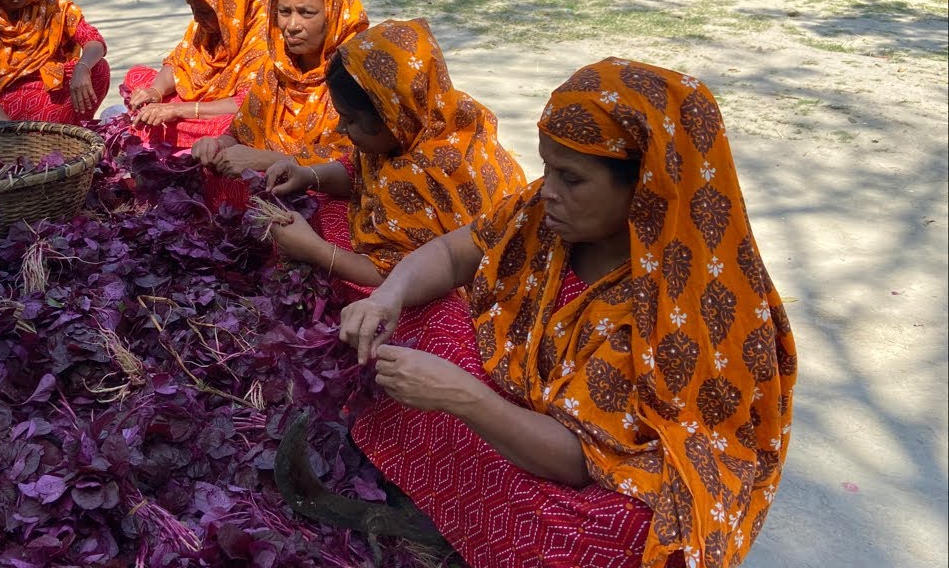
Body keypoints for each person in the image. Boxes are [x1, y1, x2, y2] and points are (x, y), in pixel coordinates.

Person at [336, 58, 797, 568]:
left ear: (646, 186)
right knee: (423, 319)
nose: (548, 189)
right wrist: (388, 297)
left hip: (611, 466)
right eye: (547, 167)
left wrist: (460, 397)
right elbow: (452, 253)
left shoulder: (681, 302)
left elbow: (579, 460)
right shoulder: (546, 212)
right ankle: (448, 501)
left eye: (572, 178)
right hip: (541, 404)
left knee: (609, 540)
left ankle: (468, 514)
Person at [264, 18, 526, 293]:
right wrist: (308, 175)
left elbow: (392, 276)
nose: (340, 128)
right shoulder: (435, 115)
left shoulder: (414, 175)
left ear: (392, 116)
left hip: (467, 289)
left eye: (350, 120)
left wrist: (314, 250)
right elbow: (358, 170)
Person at [192, 0, 368, 177]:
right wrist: (217, 145)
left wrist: (267, 160)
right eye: (284, 12)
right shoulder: (277, 66)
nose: (292, 26)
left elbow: (356, 165)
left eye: (306, 13)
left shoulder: (355, 72)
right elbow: (240, 132)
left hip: (325, 184)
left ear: (335, 12)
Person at [118, 0, 269, 149]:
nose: (197, 18)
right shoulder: (205, 25)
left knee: (229, 128)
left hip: (227, 111)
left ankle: (162, 128)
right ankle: (159, 121)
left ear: (229, 3)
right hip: (195, 102)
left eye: (205, 11)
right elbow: (178, 63)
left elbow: (244, 102)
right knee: (136, 76)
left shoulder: (262, 35)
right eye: (193, 9)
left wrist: (177, 110)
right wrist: (156, 91)